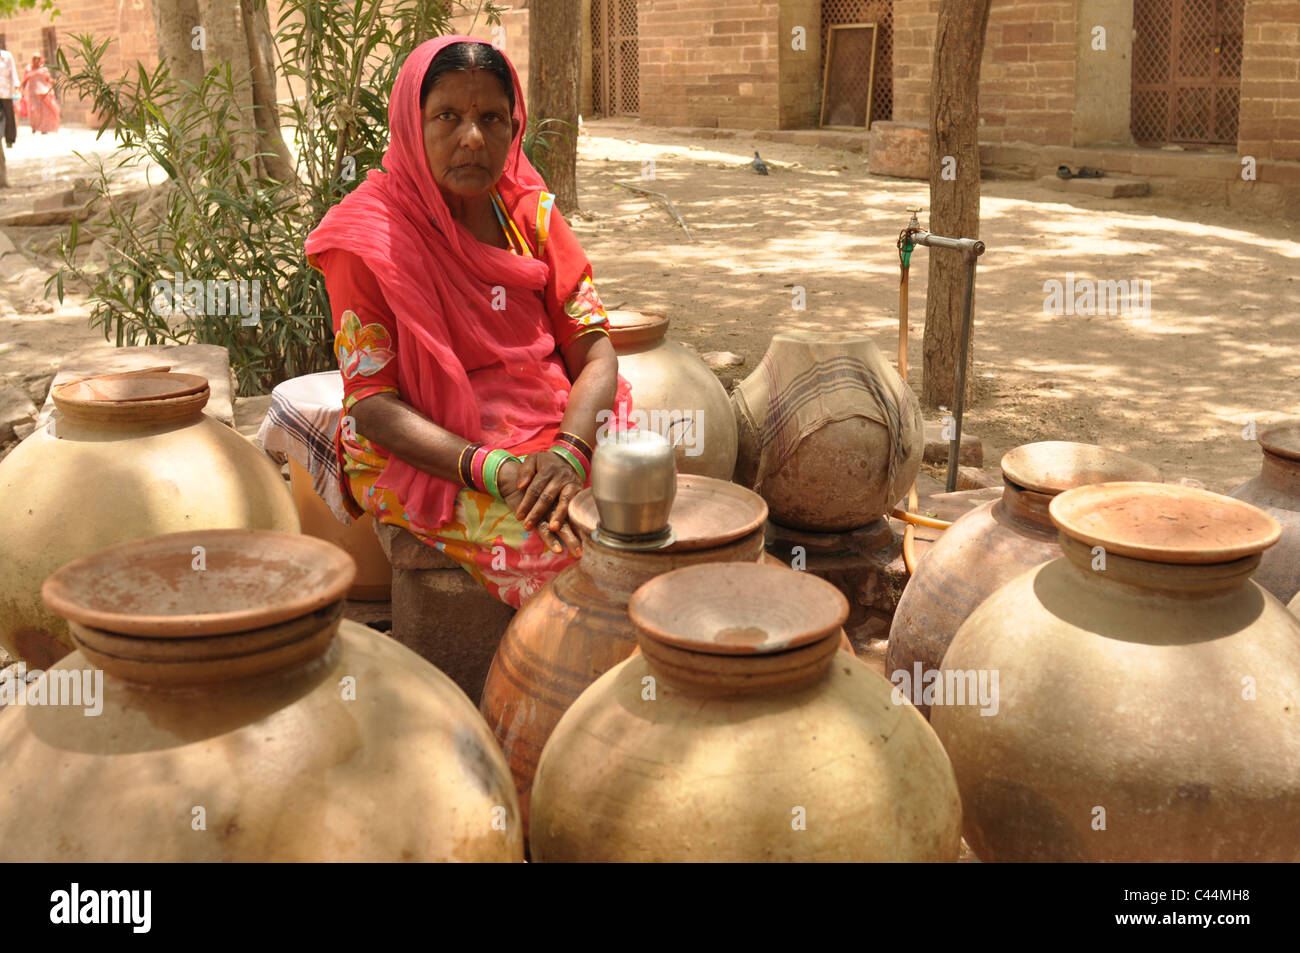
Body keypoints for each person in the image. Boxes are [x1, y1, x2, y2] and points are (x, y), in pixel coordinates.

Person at [305, 36, 631, 609]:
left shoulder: (532, 216)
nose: (473, 138)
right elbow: (372, 403)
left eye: (492, 118)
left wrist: (570, 452)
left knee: (655, 513)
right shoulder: (370, 239)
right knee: (573, 556)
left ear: (513, 127)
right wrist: (495, 468)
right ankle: (557, 689)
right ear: (411, 122)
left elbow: (597, 354)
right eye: (448, 116)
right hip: (421, 451)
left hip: (554, 433)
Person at [20, 53, 59, 135]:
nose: (37, 60)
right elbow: (24, 80)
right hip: (32, 93)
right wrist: (21, 91)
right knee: (34, 111)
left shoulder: (43, 69)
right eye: (35, 58)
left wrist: (54, 81)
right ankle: (34, 126)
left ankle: (43, 128)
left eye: (38, 58)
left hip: (43, 92)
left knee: (44, 111)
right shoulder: (28, 69)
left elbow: (48, 79)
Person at [0, 43, 19, 148]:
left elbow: (13, 70)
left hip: (6, 90)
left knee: (9, 115)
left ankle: (10, 139)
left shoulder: (7, 56)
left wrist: (16, 84)